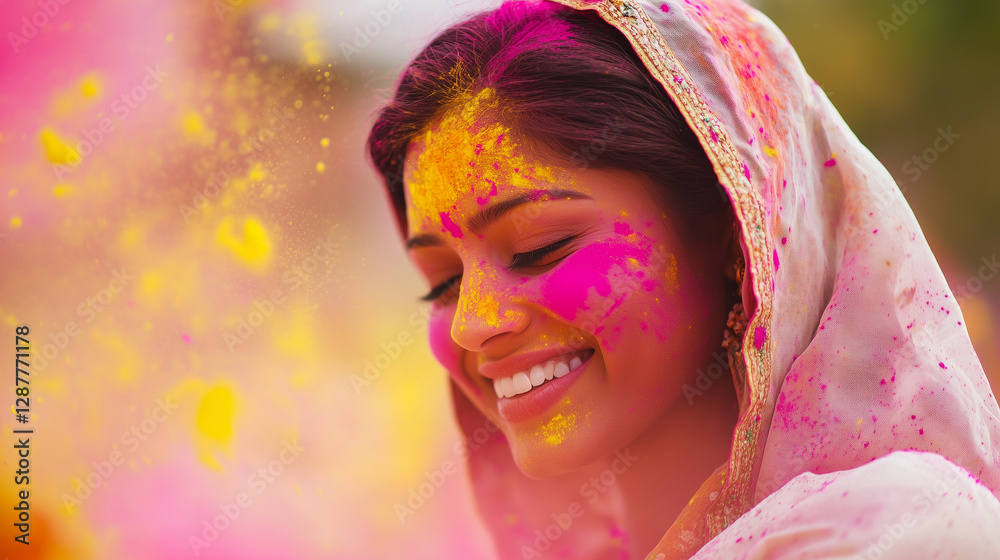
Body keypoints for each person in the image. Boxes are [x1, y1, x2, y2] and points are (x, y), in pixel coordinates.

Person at [366, 1, 1000, 558]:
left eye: (540, 247)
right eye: (443, 282)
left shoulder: (897, 532)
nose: (476, 325)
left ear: (735, 235)